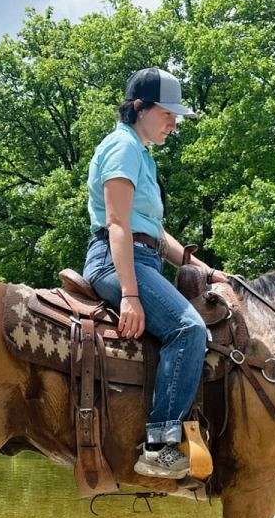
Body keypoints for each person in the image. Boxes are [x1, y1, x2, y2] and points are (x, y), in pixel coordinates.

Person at [83, 67, 228, 480]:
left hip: (141, 256)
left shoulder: (141, 154)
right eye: (167, 112)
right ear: (140, 108)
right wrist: (129, 294)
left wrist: (207, 271)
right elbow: (117, 224)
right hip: (117, 260)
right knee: (189, 329)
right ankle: (159, 445)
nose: (174, 122)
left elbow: (157, 235)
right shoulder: (122, 147)